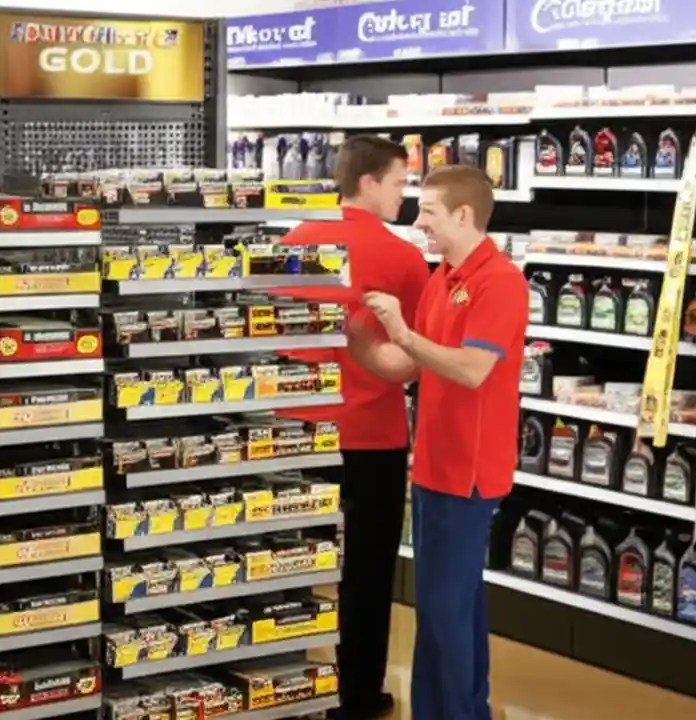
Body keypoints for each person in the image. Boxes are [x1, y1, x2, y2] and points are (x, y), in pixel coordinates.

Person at [355, 165, 528, 720]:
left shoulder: (500, 282)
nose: (418, 221)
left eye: (428, 211)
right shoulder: (443, 278)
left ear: (463, 214)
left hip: (468, 470)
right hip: (432, 464)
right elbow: (407, 365)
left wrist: (404, 333)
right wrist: (353, 334)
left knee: (444, 609)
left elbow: (473, 369)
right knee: (452, 607)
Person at [276, 135, 429, 720]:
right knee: (365, 575)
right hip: (371, 437)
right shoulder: (402, 258)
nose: (403, 196)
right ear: (368, 182)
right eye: (398, 183)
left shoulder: (292, 243)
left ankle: (281, 689)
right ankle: (358, 698)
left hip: (292, 433)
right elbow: (420, 348)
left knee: (283, 564)